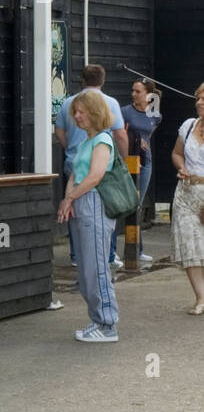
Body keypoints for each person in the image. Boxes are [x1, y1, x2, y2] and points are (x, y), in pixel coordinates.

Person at [57, 91, 120, 341]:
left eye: (82, 111)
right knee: (85, 269)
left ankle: (107, 324)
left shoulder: (103, 140)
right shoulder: (86, 142)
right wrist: (67, 198)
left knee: (96, 266)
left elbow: (95, 176)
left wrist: (70, 198)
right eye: (76, 112)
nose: (77, 116)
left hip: (93, 203)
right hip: (82, 203)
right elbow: (75, 174)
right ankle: (97, 319)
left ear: (95, 113)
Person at [54, 65, 128, 269]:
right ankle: (109, 255)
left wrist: (69, 147)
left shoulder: (68, 102)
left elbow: (59, 130)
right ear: (102, 81)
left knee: (74, 212)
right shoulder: (110, 102)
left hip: (74, 160)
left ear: (83, 80)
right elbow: (121, 134)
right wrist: (123, 159)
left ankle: (77, 255)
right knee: (106, 208)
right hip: (99, 169)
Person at [116, 79, 161, 260]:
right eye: (133, 90)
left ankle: (138, 249)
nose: (134, 94)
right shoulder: (125, 112)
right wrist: (134, 139)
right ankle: (113, 251)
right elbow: (118, 133)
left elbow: (149, 131)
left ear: (148, 95)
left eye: (138, 91)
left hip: (146, 162)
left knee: (137, 205)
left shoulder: (154, 114)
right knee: (123, 203)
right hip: (129, 161)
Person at [170, 84, 204, 315]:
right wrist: (181, 168)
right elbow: (176, 153)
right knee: (189, 244)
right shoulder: (188, 125)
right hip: (185, 193)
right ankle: (201, 298)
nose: (199, 102)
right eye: (198, 98)